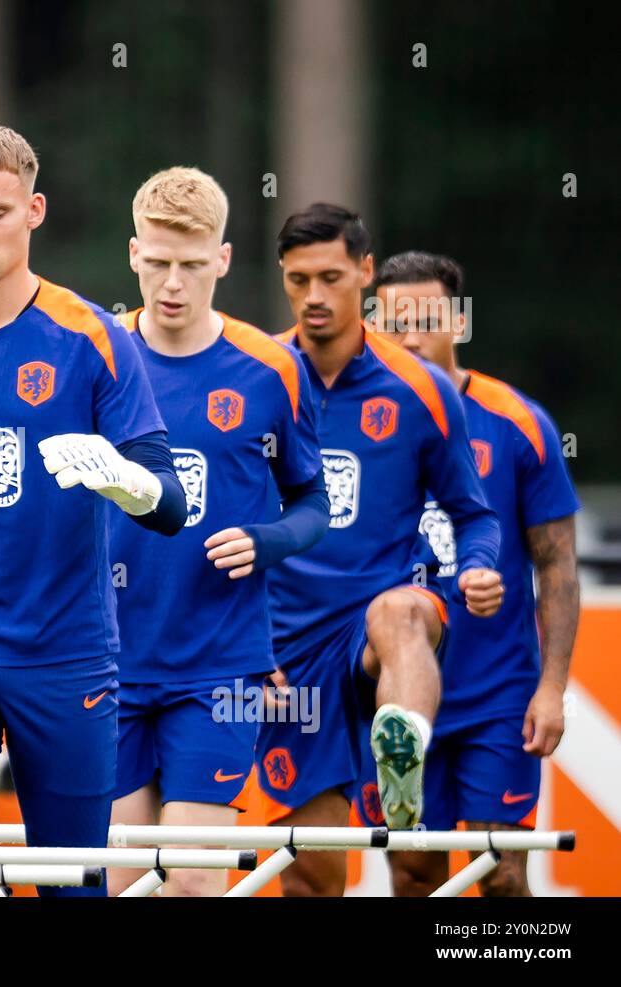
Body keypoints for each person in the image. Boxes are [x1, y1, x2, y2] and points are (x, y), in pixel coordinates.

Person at [0, 125, 187, 897]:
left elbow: (172, 503)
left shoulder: (92, 336)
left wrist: (125, 479)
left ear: (35, 210)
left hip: (68, 656)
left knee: (72, 890)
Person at [259, 204, 503, 897]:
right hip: (286, 645)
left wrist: (479, 564)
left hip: (378, 620)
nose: (314, 297)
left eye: (330, 277)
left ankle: (402, 750)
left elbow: (474, 516)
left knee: (400, 613)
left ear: (364, 273)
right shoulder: (257, 379)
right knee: (313, 878)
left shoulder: (420, 389)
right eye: (298, 279)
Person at [104, 167, 328, 896]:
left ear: (223, 261)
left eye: (193, 265)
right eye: (160, 262)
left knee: (194, 881)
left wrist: (267, 541)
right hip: (105, 660)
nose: (173, 282)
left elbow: (315, 503)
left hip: (220, 667)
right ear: (133, 253)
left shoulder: (272, 369)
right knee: (122, 881)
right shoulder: (94, 358)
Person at [349, 251, 580, 896]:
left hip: (495, 699)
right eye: (394, 321)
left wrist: (552, 688)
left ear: (460, 323)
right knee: (413, 872)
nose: (411, 335)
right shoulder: (346, 419)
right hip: (389, 694)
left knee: (500, 875)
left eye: (427, 318)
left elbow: (557, 565)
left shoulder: (517, 424)